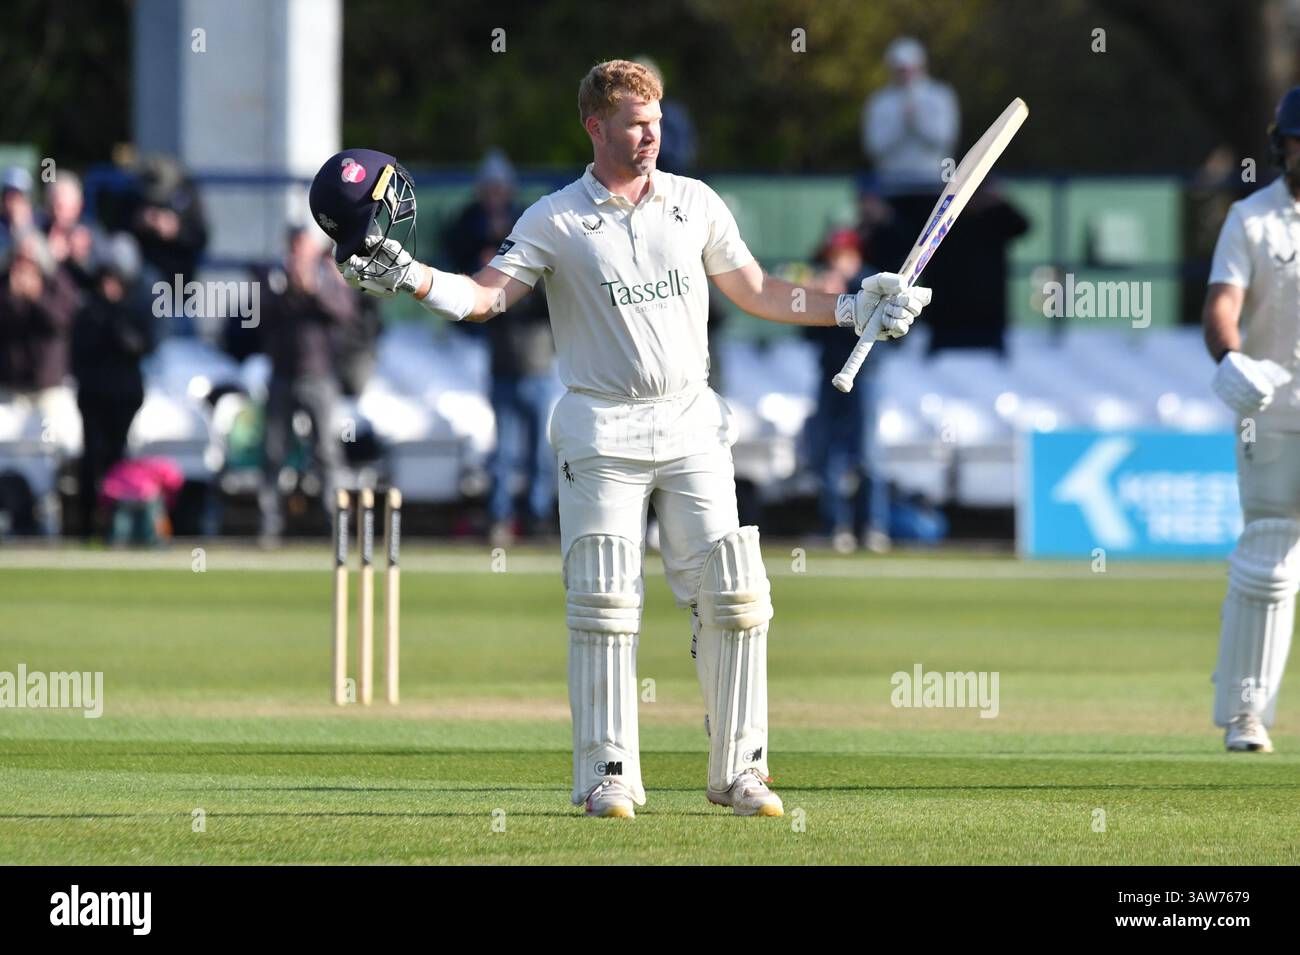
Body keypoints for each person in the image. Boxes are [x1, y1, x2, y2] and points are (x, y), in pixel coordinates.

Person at [308, 61, 932, 818]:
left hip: (692, 421)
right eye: (636, 123)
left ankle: (743, 772)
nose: (651, 135)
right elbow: (482, 298)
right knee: (604, 598)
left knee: (734, 594)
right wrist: (411, 276)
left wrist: (851, 307)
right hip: (601, 426)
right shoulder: (555, 219)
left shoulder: (695, 203)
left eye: (657, 121)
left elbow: (758, 290)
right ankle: (609, 773)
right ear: (595, 126)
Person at [1202, 86, 1300, 754]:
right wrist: (1234, 360)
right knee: (1268, 555)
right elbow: (1220, 309)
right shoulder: (1253, 217)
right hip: (1273, 411)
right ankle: (1246, 713)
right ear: (1282, 144)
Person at [445, 150, 557, 545]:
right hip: (502, 361)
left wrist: (510, 279)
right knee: (505, 450)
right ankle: (501, 517)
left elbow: (546, 300)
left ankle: (539, 519)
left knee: (540, 453)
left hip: (539, 362)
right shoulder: (470, 225)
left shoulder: (529, 232)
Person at [255, 226, 356, 543]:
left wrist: (313, 291)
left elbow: (344, 314)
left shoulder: (329, 276)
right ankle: (269, 523)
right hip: (282, 375)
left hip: (319, 376)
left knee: (327, 452)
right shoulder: (275, 278)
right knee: (273, 451)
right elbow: (260, 316)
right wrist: (288, 290)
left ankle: (336, 522)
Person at [803, 228, 891, 553]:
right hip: (830, 375)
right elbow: (809, 338)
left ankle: (873, 526)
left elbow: (878, 331)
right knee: (828, 452)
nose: (835, 262)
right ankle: (834, 527)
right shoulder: (824, 283)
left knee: (868, 452)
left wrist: (844, 299)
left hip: (864, 376)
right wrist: (820, 306)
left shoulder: (871, 284)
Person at [71, 234, 157, 539]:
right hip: (94, 396)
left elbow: (143, 346)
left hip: (123, 397)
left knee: (117, 461)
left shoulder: (135, 307)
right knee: (91, 459)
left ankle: (116, 526)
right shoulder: (88, 309)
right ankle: (85, 526)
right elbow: (80, 349)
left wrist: (118, 330)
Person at [861, 37, 959, 188]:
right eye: (900, 70)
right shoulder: (879, 101)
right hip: (892, 184)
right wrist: (902, 124)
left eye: (910, 69)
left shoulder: (940, 96)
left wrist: (917, 122)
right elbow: (874, 146)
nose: (906, 75)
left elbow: (945, 138)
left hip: (933, 182)